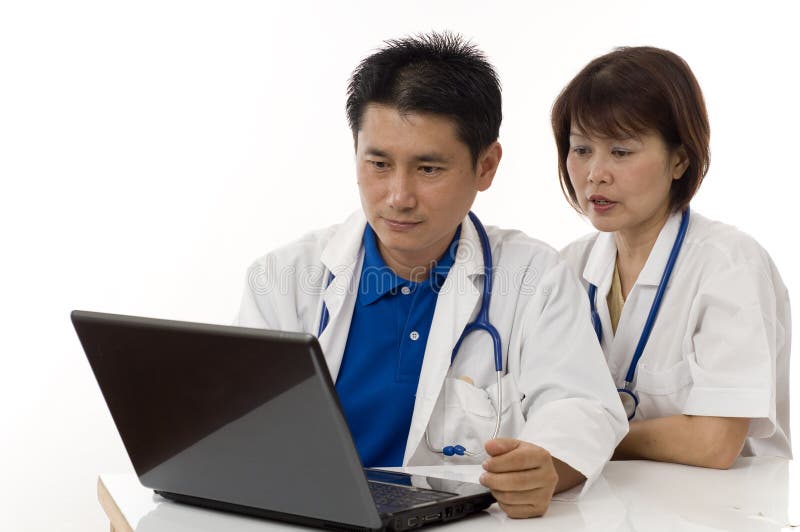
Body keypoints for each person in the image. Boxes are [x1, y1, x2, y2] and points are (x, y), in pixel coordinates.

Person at [236, 32, 628, 518]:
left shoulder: (533, 277)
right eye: (378, 163)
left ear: (486, 166)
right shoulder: (284, 278)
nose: (398, 196)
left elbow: (580, 406)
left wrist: (543, 465)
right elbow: (240, 430)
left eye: (428, 169)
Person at [554, 46, 791, 469]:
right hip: (610, 500)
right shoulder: (568, 267)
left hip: (724, 503)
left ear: (679, 160)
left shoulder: (728, 264)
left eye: (621, 152)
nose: (595, 174)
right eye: (581, 149)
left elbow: (713, 443)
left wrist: (590, 438)